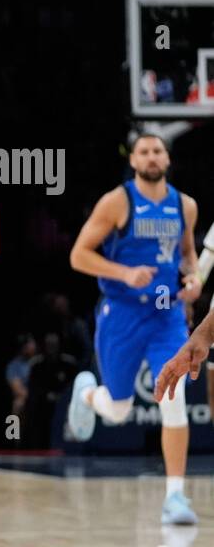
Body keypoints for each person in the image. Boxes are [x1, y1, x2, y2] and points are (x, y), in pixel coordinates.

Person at [69, 132, 199, 524]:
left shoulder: (185, 205)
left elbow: (188, 255)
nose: (151, 156)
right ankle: (87, 393)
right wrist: (124, 272)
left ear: (167, 158)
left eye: (157, 150)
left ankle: (175, 498)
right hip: (122, 312)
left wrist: (193, 280)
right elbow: (79, 255)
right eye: (144, 151)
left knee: (173, 396)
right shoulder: (116, 202)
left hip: (165, 313)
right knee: (120, 411)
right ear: (134, 161)